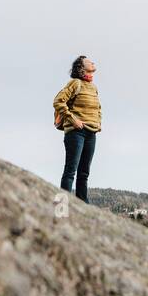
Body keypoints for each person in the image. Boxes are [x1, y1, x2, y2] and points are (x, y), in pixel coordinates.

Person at [54, 55, 101, 202]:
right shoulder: (75, 83)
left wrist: (98, 123)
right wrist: (72, 119)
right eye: (88, 61)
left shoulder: (93, 87)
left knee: (84, 174)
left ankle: (82, 207)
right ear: (81, 67)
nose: (92, 61)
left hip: (91, 133)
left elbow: (98, 108)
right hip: (76, 133)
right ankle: (62, 208)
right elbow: (58, 101)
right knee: (70, 171)